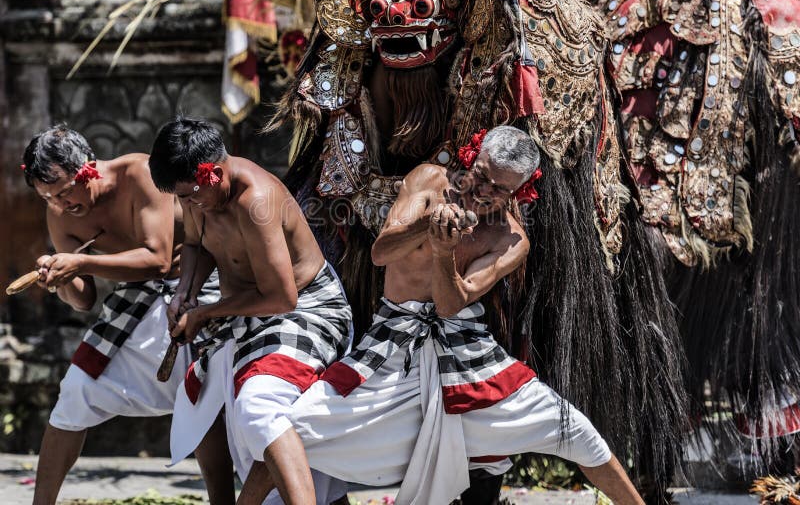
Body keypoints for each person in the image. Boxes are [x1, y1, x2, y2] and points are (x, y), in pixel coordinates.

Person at [239, 125, 646, 505]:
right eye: (480, 175)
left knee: (576, 432)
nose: (483, 190)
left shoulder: (510, 239)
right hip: (390, 343)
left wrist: (443, 252)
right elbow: (382, 252)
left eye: (498, 189)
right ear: (471, 156)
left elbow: (454, 303)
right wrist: (427, 226)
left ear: (518, 194)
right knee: (294, 426)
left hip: (466, 351)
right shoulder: (429, 179)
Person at [22, 125, 231, 505]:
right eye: (49, 198)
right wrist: (59, 280)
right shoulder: (60, 216)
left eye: (66, 191)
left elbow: (158, 259)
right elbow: (83, 300)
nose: (61, 205)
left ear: (88, 168)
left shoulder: (139, 173)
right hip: (135, 299)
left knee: (199, 391)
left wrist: (82, 260)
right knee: (76, 389)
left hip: (199, 282)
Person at [148, 117, 352, 505]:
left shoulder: (255, 201)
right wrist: (185, 294)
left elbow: (281, 298)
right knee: (200, 400)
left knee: (258, 403)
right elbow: (195, 244)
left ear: (215, 173)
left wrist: (206, 313)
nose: (186, 206)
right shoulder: (197, 196)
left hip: (307, 311)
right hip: (246, 315)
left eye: (188, 197)